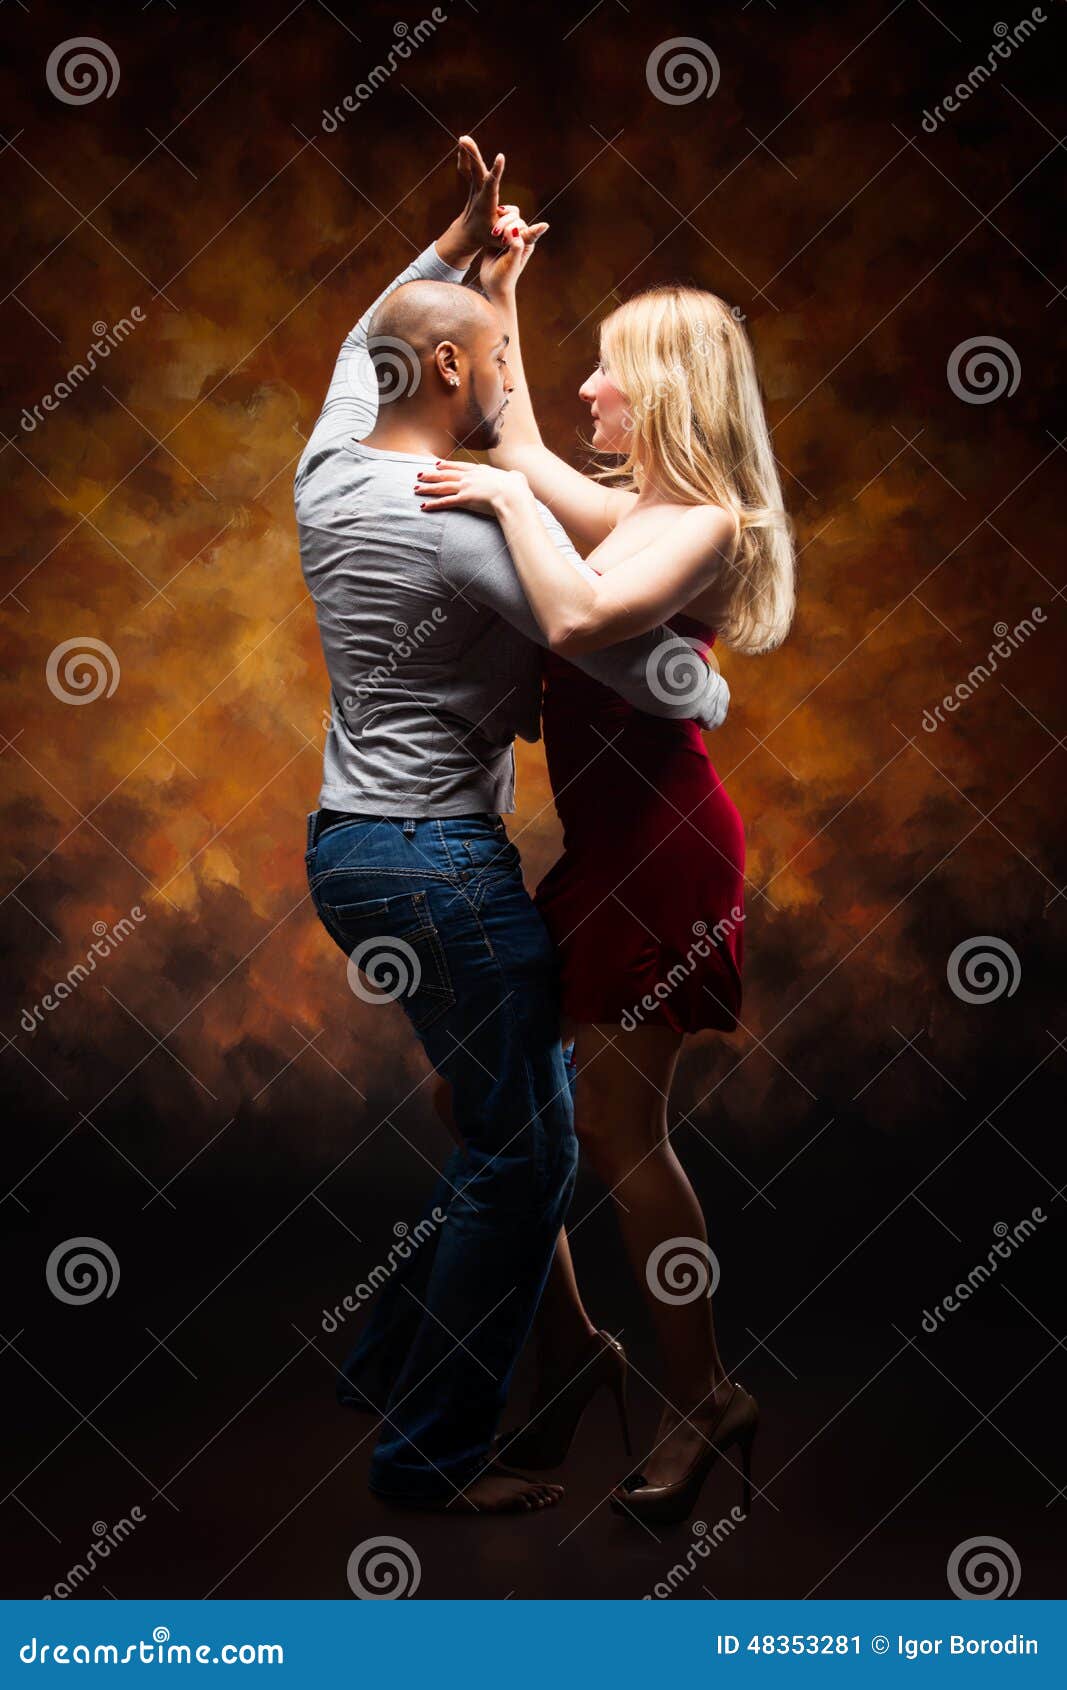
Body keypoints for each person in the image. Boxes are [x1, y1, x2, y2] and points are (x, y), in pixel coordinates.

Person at [295, 137, 730, 1516]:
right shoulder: (462, 526)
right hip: (441, 865)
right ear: (446, 370)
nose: (517, 386)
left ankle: (534, 1360)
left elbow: (378, 344)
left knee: (502, 1122)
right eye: (493, 358)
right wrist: (705, 682)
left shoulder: (326, 465)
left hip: (352, 849)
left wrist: (462, 255)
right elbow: (602, 635)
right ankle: (429, 1443)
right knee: (524, 1153)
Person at [414, 202, 795, 1525]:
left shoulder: (708, 525)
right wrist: (502, 284)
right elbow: (516, 439)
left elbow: (573, 615)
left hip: (666, 858)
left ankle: (704, 1396)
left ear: (671, 392)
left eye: (611, 369)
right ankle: (577, 1349)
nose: (585, 387)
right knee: (488, 1104)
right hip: (605, 854)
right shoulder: (639, 510)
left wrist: (507, 498)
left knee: (625, 1140)